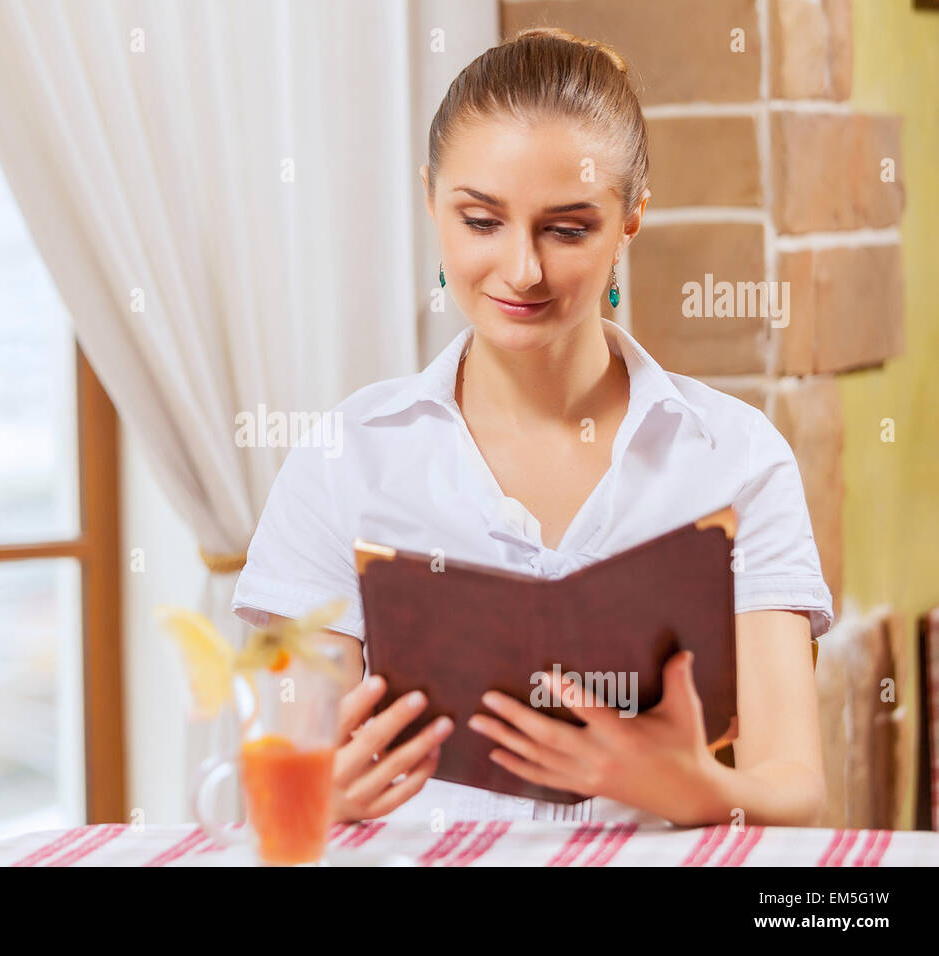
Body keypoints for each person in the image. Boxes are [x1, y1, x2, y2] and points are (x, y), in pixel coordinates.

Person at [231, 27, 833, 828]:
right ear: (431, 202)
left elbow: (795, 790)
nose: (522, 271)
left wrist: (703, 791)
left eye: (568, 228)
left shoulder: (737, 458)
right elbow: (291, 775)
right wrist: (313, 800)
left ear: (631, 221)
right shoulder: (346, 459)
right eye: (481, 221)